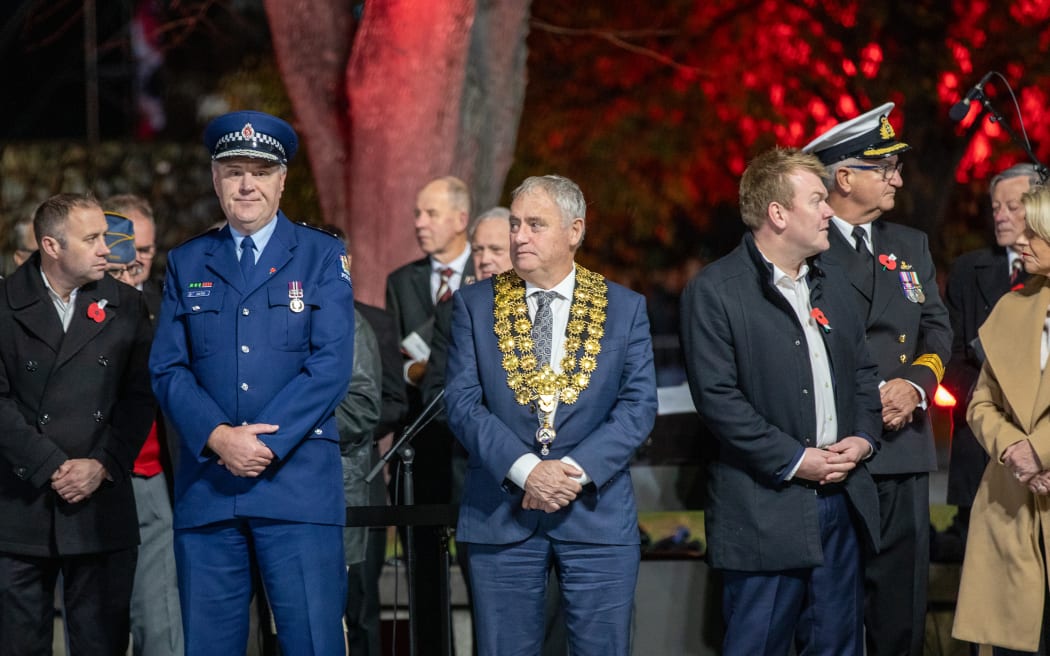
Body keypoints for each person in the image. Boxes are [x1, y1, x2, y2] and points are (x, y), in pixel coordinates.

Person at [149, 110, 356, 655]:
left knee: (313, 643)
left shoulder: (320, 255)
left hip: (296, 486)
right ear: (215, 179)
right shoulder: (187, 260)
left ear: (282, 179)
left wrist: (262, 444)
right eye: (234, 170)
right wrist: (219, 437)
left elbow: (331, 365)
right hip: (210, 489)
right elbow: (168, 367)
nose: (247, 184)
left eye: (260, 172)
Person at [445, 174, 658, 655]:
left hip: (595, 514)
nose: (517, 235)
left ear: (575, 230)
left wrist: (569, 474)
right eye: (516, 223)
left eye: (535, 224)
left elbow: (639, 406)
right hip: (501, 513)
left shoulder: (624, 308)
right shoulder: (475, 305)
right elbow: (460, 402)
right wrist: (526, 471)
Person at [680, 148, 882, 654]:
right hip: (764, 513)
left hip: (840, 502)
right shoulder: (715, 291)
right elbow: (718, 400)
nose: (829, 210)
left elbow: (863, 373)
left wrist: (862, 438)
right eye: (816, 199)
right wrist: (796, 460)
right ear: (777, 213)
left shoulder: (832, 285)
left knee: (837, 644)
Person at [803, 102, 953, 656]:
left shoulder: (909, 243)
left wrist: (913, 386)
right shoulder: (808, 245)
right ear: (844, 177)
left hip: (905, 445)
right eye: (883, 167)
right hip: (838, 446)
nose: (897, 177)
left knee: (901, 608)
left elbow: (937, 328)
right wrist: (873, 397)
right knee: (831, 610)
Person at [0, 194, 155, 655]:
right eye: (92, 239)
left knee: (102, 645)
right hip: (19, 506)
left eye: (105, 236)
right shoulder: (5, 304)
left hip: (99, 506)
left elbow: (140, 396)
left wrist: (103, 463)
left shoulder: (126, 305)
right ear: (51, 245)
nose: (107, 249)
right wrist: (50, 463)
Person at [953, 183, 1050, 654]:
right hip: (1012, 503)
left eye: (1034, 233)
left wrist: (1040, 449)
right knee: (1016, 642)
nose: (1020, 242)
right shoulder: (1011, 307)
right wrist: (1014, 448)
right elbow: (980, 403)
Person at [385, 175, 475, 650]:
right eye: (418, 213)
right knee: (423, 571)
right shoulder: (401, 282)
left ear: (461, 219)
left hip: (474, 451)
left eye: (431, 213)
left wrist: (427, 367)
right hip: (420, 446)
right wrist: (420, 371)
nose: (419, 223)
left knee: (482, 573)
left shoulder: (489, 272)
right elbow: (397, 362)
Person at [939, 163, 1041, 561]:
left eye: (1012, 206)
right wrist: (998, 412)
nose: (1000, 215)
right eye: (995, 206)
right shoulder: (969, 270)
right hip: (982, 446)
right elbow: (951, 358)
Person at [103, 195, 184, 656]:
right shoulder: (78, 306)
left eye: (147, 250)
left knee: (161, 630)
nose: (135, 259)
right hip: (96, 483)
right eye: (122, 246)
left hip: (155, 479)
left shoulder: (167, 305)